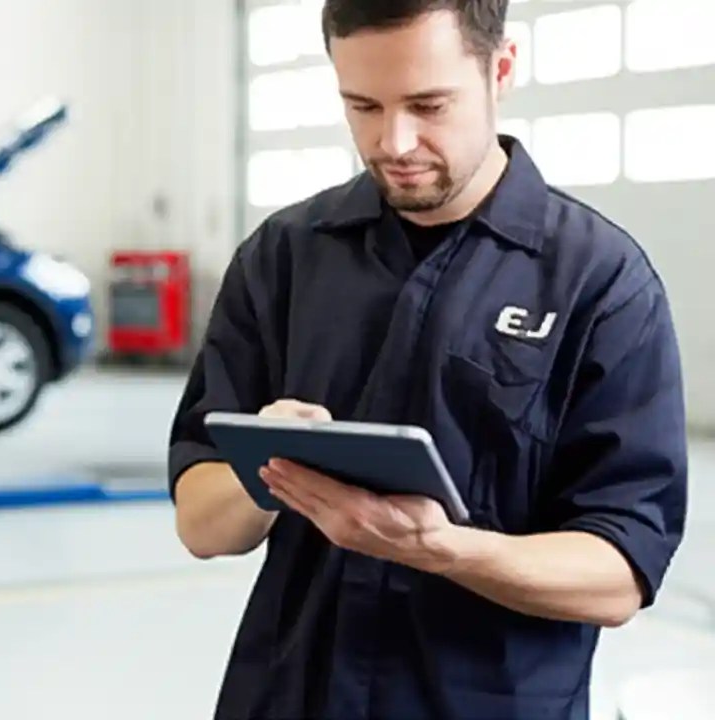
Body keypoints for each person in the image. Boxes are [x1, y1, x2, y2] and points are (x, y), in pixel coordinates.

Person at [166, 1, 689, 719]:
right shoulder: (283, 257)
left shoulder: (601, 284)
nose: (394, 141)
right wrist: (268, 470)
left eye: (428, 104)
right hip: (291, 697)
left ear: (500, 68)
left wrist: (446, 550)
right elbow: (199, 523)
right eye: (363, 106)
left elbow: (618, 575)